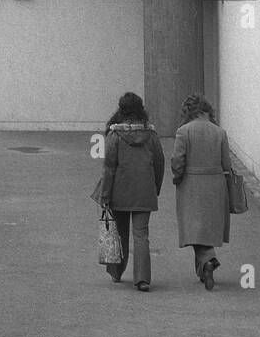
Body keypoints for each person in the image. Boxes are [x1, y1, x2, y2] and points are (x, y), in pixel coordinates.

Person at [99, 91, 165, 292]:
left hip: (120, 191)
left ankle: (117, 272)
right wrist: (156, 188)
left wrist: (105, 195)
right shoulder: (151, 135)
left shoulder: (114, 136)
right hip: (144, 191)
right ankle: (142, 279)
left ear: (121, 110)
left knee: (120, 233)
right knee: (141, 234)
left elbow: (109, 168)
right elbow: (159, 163)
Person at [171, 94, 232, 291]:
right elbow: (227, 164)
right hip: (215, 185)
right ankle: (203, 268)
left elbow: (177, 161)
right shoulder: (220, 132)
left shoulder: (183, 131)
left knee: (195, 229)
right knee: (206, 228)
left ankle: (208, 260)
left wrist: (177, 177)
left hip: (191, 184)